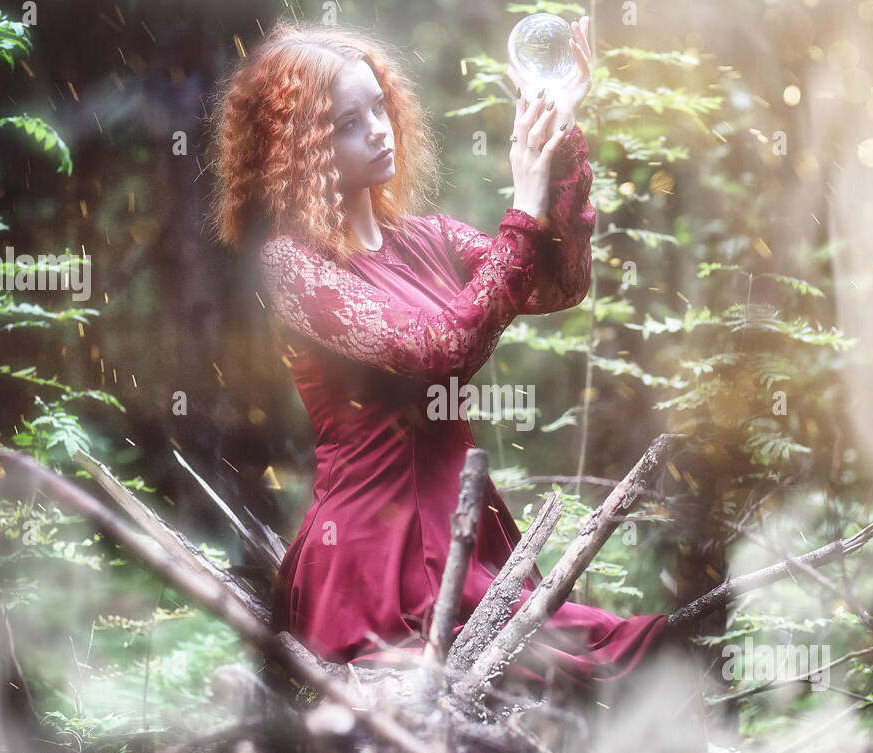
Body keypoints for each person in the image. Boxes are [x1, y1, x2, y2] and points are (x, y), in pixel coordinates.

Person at [210, 18, 673, 698]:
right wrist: (521, 201)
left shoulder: (430, 239)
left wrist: (555, 141)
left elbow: (558, 284)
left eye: (379, 106)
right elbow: (441, 350)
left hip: (468, 537)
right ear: (295, 151)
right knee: (554, 683)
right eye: (346, 123)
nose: (378, 128)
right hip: (373, 562)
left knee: (642, 651)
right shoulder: (292, 266)